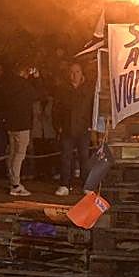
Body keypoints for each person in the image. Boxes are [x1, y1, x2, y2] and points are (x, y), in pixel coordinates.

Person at [0, 62, 34, 197]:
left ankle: (12, 179)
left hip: (11, 123)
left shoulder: (7, 85)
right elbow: (38, 95)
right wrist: (37, 79)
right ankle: (15, 184)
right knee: (19, 154)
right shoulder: (25, 85)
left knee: (13, 153)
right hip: (22, 124)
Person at [53, 62, 92, 196]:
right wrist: (57, 125)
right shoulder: (62, 90)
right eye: (72, 72)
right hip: (67, 128)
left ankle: (86, 185)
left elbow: (92, 108)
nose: (74, 75)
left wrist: (92, 125)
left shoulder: (88, 90)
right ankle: (64, 184)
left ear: (82, 73)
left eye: (77, 72)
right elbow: (56, 109)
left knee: (84, 158)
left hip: (84, 129)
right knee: (65, 157)